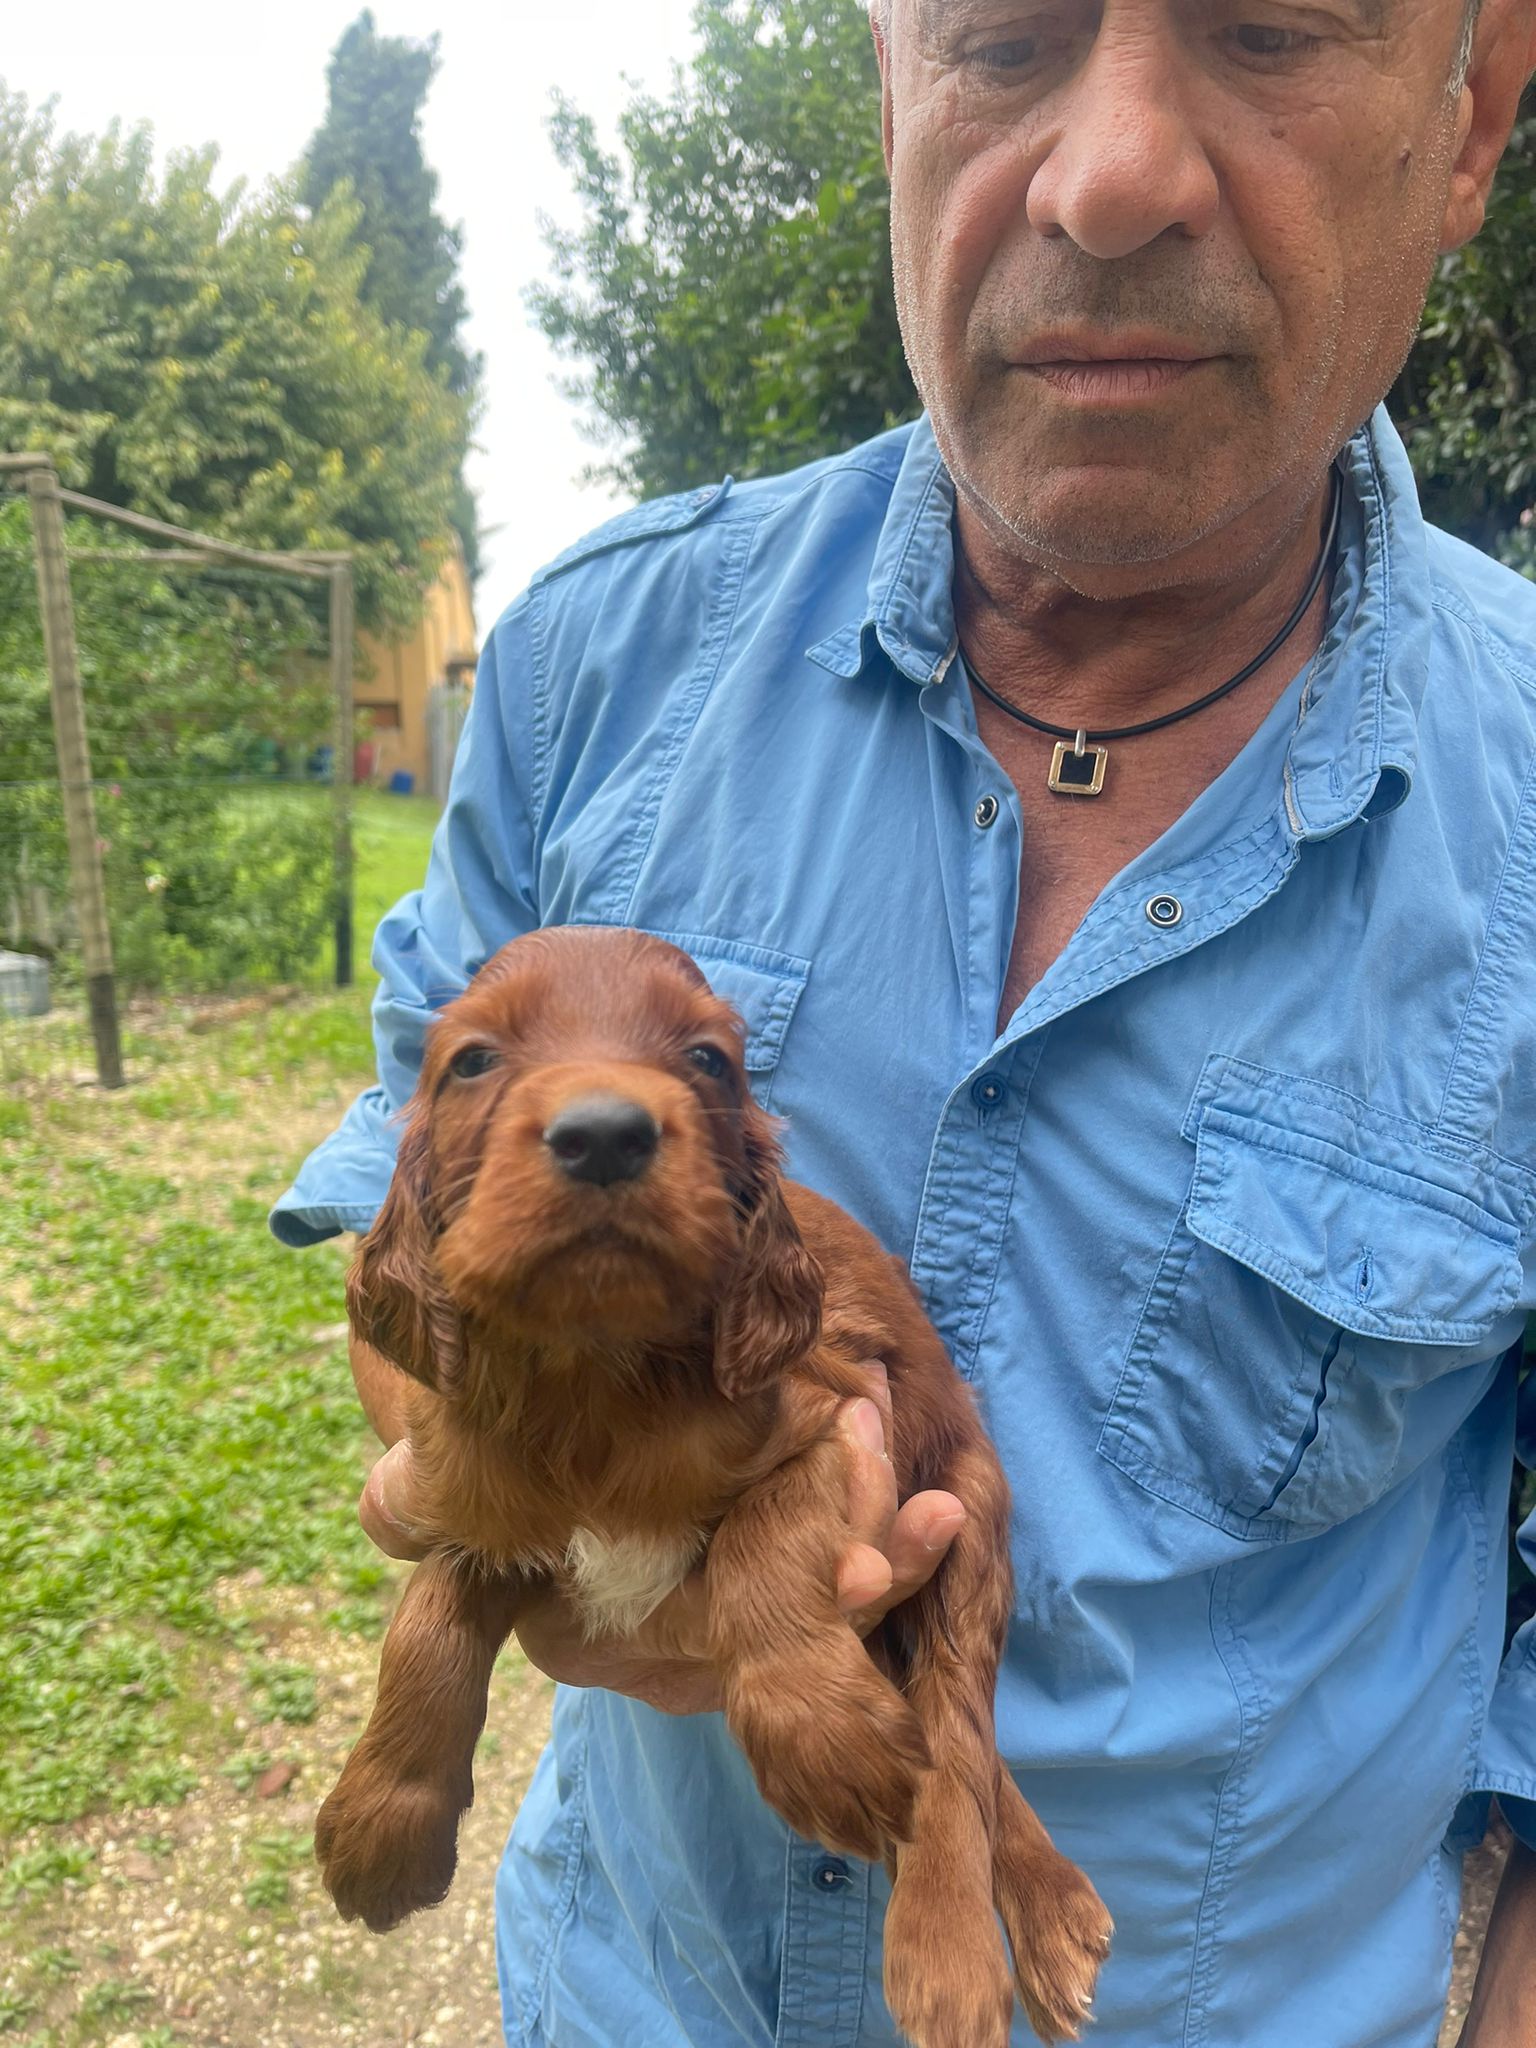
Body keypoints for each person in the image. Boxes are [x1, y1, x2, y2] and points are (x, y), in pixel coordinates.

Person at [271, 0, 1536, 2039]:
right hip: (631, 1993)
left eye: (1269, 27)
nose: (1110, 178)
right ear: (891, 92)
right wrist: (517, 1506)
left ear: (1470, 117)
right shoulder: (595, 656)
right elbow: (402, 1250)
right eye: (1004, 37)